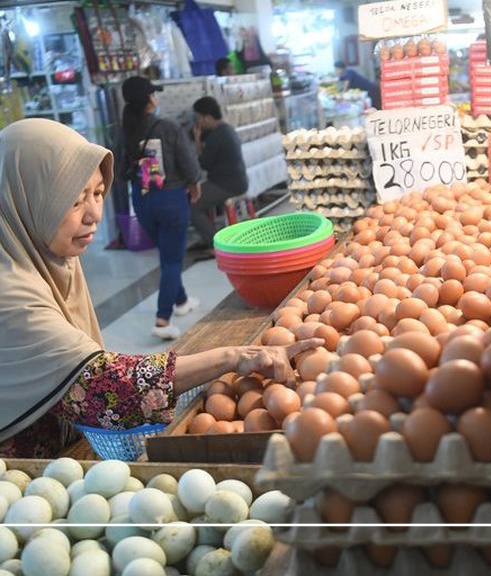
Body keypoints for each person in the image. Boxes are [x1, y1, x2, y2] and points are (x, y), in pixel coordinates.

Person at [0, 119, 323, 458]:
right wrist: (233, 356)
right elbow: (100, 387)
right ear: (24, 196)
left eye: (97, 193)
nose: (94, 214)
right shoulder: (10, 293)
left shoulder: (46, 253)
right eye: (75, 200)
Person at [121, 75, 202, 340]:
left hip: (142, 200)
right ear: (148, 100)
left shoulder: (126, 131)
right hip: (171, 199)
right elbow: (189, 165)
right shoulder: (168, 127)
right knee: (172, 259)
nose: (157, 98)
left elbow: (120, 168)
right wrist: (194, 183)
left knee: (167, 255)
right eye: (153, 94)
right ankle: (162, 319)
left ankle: (181, 301)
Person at [190, 96, 248, 256]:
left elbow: (203, 164)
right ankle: (207, 236)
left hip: (226, 185)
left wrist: (196, 140)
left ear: (208, 117)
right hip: (236, 181)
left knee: (192, 204)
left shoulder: (216, 136)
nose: (198, 122)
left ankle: (214, 243)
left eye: (199, 118)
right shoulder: (227, 129)